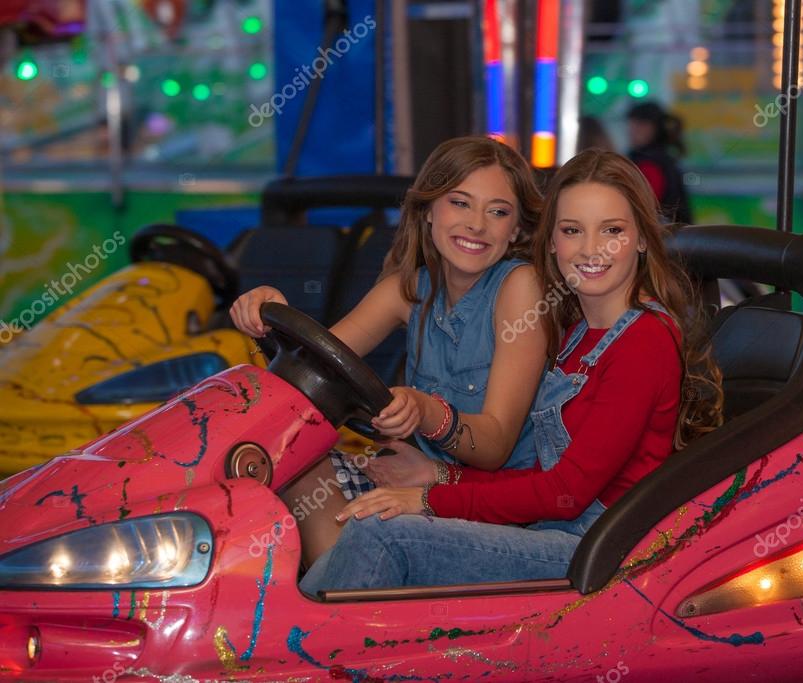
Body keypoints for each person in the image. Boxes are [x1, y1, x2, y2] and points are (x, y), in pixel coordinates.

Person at [299, 149, 723, 593]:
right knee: (364, 511)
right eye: (572, 231)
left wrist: (429, 500)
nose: (591, 249)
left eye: (612, 231)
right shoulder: (579, 334)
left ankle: (291, 655)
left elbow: (568, 490)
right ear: (553, 242)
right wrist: (439, 476)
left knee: (385, 536)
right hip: (550, 531)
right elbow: (541, 474)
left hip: (594, 554)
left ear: (640, 238)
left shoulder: (644, 339)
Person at [230, 136, 548, 567]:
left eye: (497, 211)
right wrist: (267, 313)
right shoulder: (409, 288)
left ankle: (343, 597)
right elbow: (320, 361)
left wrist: (423, 409)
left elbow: (494, 445)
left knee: (317, 495)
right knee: (282, 457)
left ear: (515, 230)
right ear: (427, 209)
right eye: (459, 203)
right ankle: (333, 590)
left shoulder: (518, 287)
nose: (477, 224)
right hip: (414, 474)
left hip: (488, 506)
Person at [626, 101, 693, 225]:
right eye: (632, 124)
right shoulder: (664, 159)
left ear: (656, 129)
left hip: (662, 238)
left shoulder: (650, 164)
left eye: (640, 124)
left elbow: (642, 207)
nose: (632, 130)